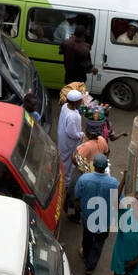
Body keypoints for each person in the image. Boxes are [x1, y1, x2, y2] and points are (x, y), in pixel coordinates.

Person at [76, 154, 119, 275]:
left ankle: (85, 254)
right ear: (106, 167)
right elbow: (119, 200)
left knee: (87, 237)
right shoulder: (113, 182)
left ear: (93, 165)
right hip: (105, 220)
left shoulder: (84, 179)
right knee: (99, 242)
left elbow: (77, 193)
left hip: (88, 217)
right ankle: (91, 265)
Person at [56, 89, 86, 220]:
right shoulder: (74, 116)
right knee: (68, 163)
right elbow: (72, 133)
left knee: (63, 158)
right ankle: (67, 184)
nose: (81, 102)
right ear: (76, 102)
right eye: (80, 101)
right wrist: (82, 135)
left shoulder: (65, 107)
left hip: (62, 139)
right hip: (69, 142)